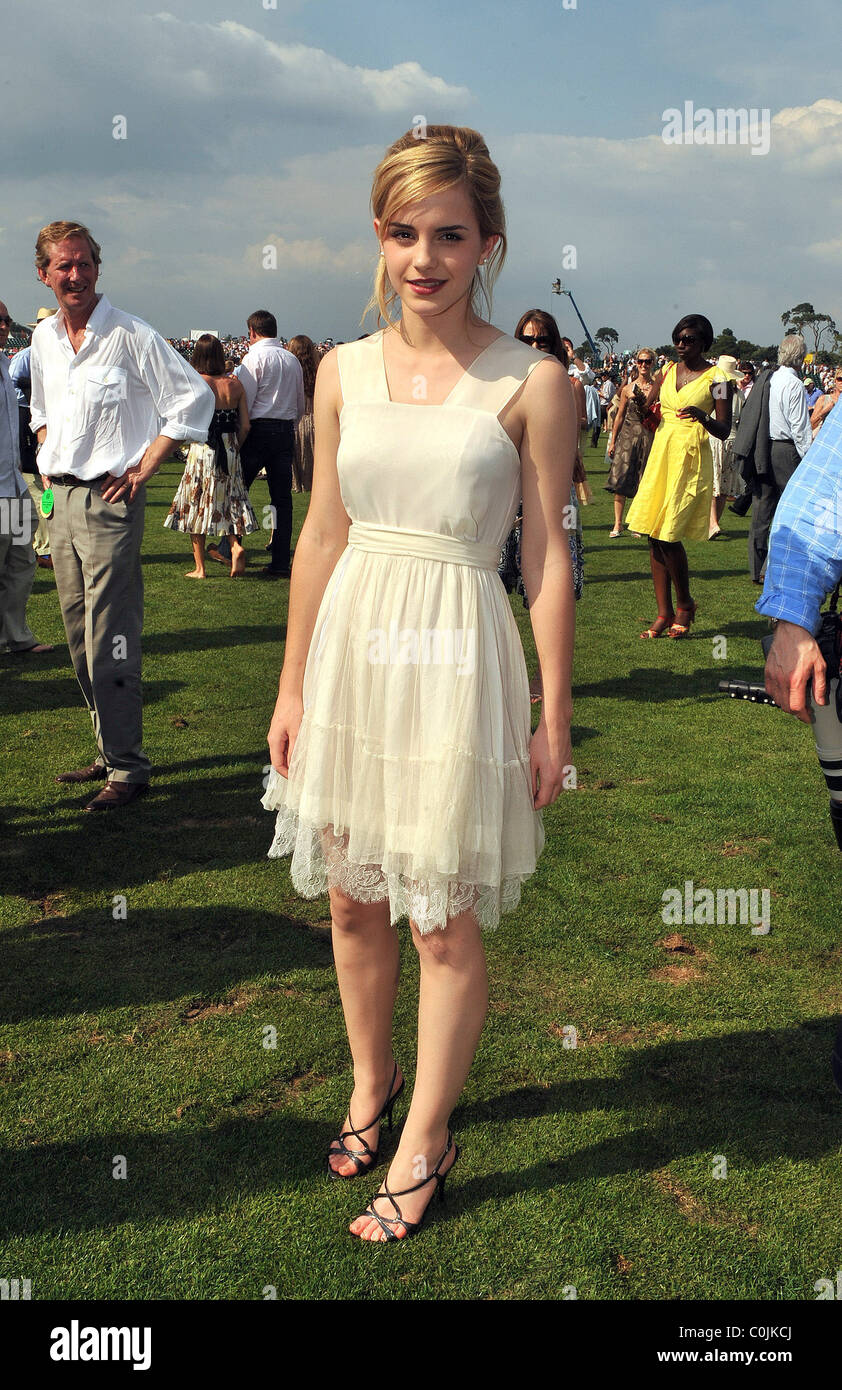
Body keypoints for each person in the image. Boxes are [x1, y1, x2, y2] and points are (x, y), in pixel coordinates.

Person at [262, 125, 575, 1241]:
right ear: (379, 238)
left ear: (488, 241)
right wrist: (292, 685)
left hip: (455, 649)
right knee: (351, 893)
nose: (424, 256)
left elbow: (543, 559)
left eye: (449, 233)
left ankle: (426, 1133)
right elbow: (317, 538)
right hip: (352, 647)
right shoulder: (337, 371)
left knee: (438, 912)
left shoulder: (535, 380)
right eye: (403, 232)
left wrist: (554, 711)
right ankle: (369, 1080)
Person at [29, 220, 214, 810]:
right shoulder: (42, 341)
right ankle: (110, 747)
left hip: (109, 505)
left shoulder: (131, 334)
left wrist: (145, 466)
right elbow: (39, 405)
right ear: (45, 274)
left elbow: (193, 397)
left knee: (111, 636)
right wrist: (46, 443)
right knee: (78, 637)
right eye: (64, 265)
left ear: (97, 268)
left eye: (84, 263)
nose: (76, 275)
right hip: (58, 500)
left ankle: (129, 770)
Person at [625, 314, 733, 638]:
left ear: (703, 343)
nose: (681, 345)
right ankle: (664, 612)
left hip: (689, 457)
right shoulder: (668, 370)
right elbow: (649, 408)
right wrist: (640, 405)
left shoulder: (718, 379)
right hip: (662, 453)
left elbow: (724, 429)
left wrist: (702, 416)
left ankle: (685, 604)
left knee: (669, 534)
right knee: (653, 532)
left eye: (688, 340)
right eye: (677, 339)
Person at [500, 310, 584, 704]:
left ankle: (545, 678)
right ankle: (501, 668)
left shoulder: (562, 385)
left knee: (546, 583)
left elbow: (566, 445)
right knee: (500, 583)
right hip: (504, 494)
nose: (533, 347)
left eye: (542, 341)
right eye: (526, 340)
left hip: (548, 496)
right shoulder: (501, 384)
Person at [210, 311, 304, 577]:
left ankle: (231, 549)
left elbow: (245, 403)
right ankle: (280, 561)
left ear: (252, 331)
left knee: (239, 492)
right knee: (282, 500)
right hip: (284, 430)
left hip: (258, 430)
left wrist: (240, 435)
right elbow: (299, 403)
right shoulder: (291, 359)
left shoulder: (253, 358)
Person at [164, 333, 256, 577]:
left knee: (197, 503)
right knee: (229, 501)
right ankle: (235, 546)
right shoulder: (236, 385)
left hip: (204, 448)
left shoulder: (197, 383)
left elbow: (185, 419)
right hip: (230, 448)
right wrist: (234, 445)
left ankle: (200, 567)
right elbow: (245, 425)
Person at [0, 296, 52, 656]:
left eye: (6, 320)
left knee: (22, 560)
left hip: (14, 485)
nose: (4, 327)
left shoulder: (6, 363)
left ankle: (15, 634)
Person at [747, 334, 812, 586]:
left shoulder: (771, 378)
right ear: (799, 356)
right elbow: (800, 428)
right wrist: (807, 457)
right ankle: (770, 565)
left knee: (761, 509)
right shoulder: (794, 384)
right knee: (789, 509)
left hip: (766, 445)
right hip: (786, 450)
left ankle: (757, 568)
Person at [9, 307, 56, 569]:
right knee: (32, 487)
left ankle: (34, 548)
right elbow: (15, 391)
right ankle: (42, 549)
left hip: (43, 423)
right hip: (25, 422)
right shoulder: (24, 358)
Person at [605, 348, 657, 536]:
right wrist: (612, 441)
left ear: (653, 363)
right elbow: (618, 416)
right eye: (641, 361)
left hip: (649, 436)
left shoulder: (656, 388)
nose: (644, 365)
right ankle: (618, 524)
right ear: (636, 362)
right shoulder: (627, 388)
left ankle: (638, 523)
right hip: (627, 436)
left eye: (648, 361)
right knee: (621, 478)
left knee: (644, 480)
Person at [708, 354, 745, 538]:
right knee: (719, 484)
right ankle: (713, 523)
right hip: (724, 440)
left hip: (725, 440)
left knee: (720, 485)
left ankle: (714, 523)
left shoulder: (730, 392)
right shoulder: (729, 391)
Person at [287, 334, 319, 492]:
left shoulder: (290, 372)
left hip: (296, 420)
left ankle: (298, 483)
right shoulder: (319, 371)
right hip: (317, 421)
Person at [809, 367, 842, 435]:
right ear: (835, 381)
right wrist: (823, 412)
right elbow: (811, 425)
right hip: (824, 438)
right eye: (840, 379)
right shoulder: (824, 399)